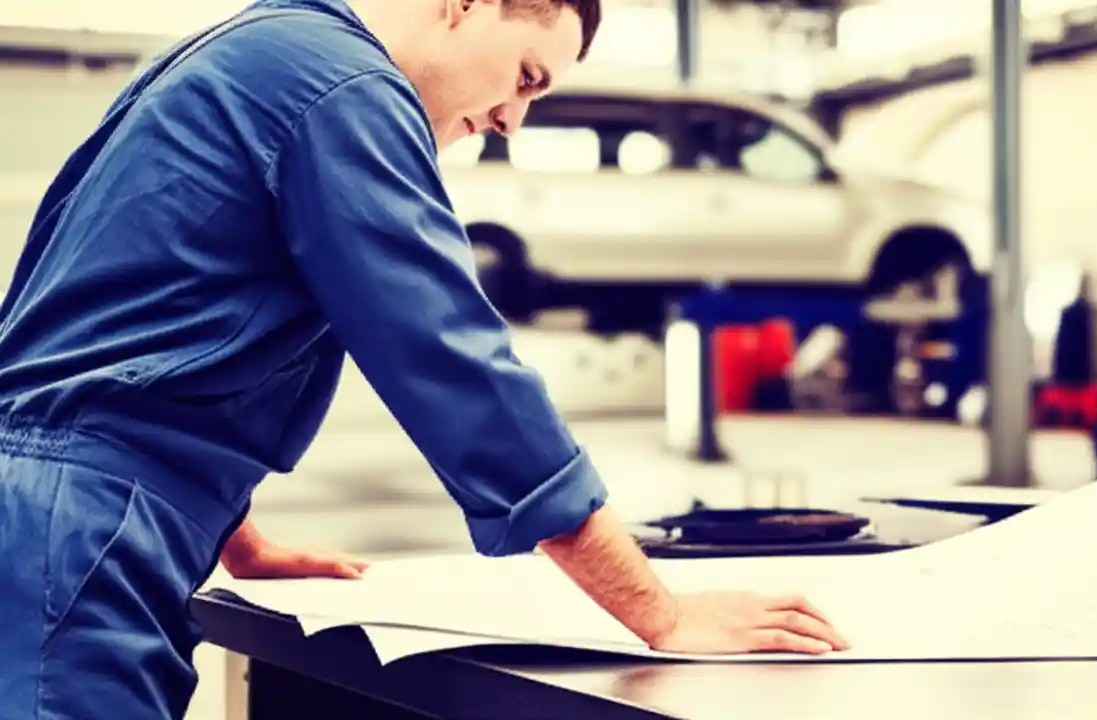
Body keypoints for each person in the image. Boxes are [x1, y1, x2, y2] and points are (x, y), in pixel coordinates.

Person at [0, 0, 848, 716]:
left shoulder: (254, 53)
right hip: (77, 541)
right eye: (526, 76)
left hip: (57, 517)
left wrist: (233, 531)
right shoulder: (344, 89)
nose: (516, 119)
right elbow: (455, 364)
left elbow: (109, 332)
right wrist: (658, 610)